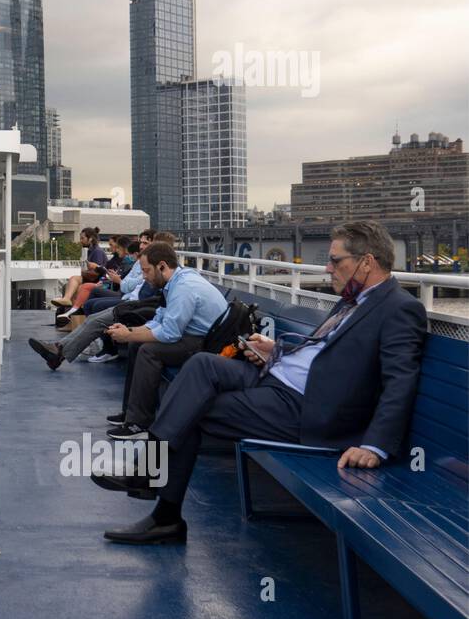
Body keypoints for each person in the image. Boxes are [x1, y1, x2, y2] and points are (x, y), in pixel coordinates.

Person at [91, 221, 427, 544]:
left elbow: (400, 380)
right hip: (273, 377)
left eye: (335, 260)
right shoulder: (351, 302)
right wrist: (275, 350)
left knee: (190, 410)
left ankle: (163, 511)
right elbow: (323, 353)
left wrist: (374, 445)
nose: (328, 268)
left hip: (305, 408)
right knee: (202, 364)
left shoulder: (399, 308)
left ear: (366, 262)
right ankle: (152, 480)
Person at [102, 241, 229, 439]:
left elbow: (170, 333)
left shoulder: (184, 288)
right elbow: (159, 320)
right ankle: (131, 414)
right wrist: (130, 331)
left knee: (148, 351)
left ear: (161, 266)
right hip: (193, 336)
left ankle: (139, 424)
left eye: (146, 271)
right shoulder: (175, 282)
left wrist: (128, 335)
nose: (144, 277)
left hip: (206, 345)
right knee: (137, 344)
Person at [29, 231, 172, 370]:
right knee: (93, 315)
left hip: (135, 305)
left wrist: (130, 333)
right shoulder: (154, 269)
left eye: (147, 243)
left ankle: (60, 351)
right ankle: (59, 350)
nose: (145, 275)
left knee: (96, 317)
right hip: (132, 302)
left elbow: (167, 322)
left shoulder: (166, 276)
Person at [49, 227, 107, 311]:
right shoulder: (89, 251)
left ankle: (70, 304)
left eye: (82, 238)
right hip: (91, 278)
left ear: (90, 239)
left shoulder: (97, 252)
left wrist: (83, 273)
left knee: (74, 279)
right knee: (68, 285)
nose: (80, 240)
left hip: (98, 280)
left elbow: (96, 273)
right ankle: (69, 307)